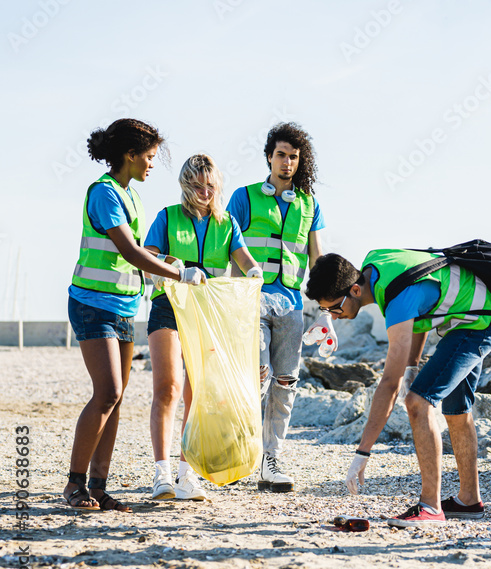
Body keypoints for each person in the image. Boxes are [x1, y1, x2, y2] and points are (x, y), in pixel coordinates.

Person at [304, 249, 491, 527]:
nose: (335, 317)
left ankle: (430, 507)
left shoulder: (395, 298)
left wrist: (362, 453)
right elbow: (420, 309)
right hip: (470, 317)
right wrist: (412, 366)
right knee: (457, 409)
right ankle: (469, 501)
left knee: (417, 402)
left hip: (480, 322)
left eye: (335, 308)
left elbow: (388, 384)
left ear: (354, 289)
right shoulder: (376, 266)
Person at [65, 118, 205, 512]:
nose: (151, 165)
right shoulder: (105, 193)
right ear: (129, 155)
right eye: (148, 157)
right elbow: (128, 251)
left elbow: (141, 252)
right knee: (107, 392)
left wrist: (164, 258)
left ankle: (98, 486)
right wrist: (179, 273)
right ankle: (74, 485)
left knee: (117, 399)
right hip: (93, 305)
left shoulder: (132, 197)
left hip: (125, 306)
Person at [143, 154, 262, 501]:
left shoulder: (227, 224)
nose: (204, 192)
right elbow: (146, 257)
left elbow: (244, 260)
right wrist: (173, 265)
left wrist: (254, 273)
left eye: (210, 186)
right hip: (169, 307)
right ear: (185, 185)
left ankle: (187, 474)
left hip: (209, 315)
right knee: (168, 387)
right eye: (197, 185)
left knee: (200, 395)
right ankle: (161, 473)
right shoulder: (167, 217)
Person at [226, 123, 325, 492]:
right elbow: (225, 249)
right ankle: (241, 449)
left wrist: (327, 310)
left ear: (301, 161)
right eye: (281, 154)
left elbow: (317, 258)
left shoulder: (309, 204)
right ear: (269, 156)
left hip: (292, 306)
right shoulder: (244, 197)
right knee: (260, 375)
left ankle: (271, 459)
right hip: (250, 301)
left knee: (286, 381)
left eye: (293, 157)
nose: (286, 162)